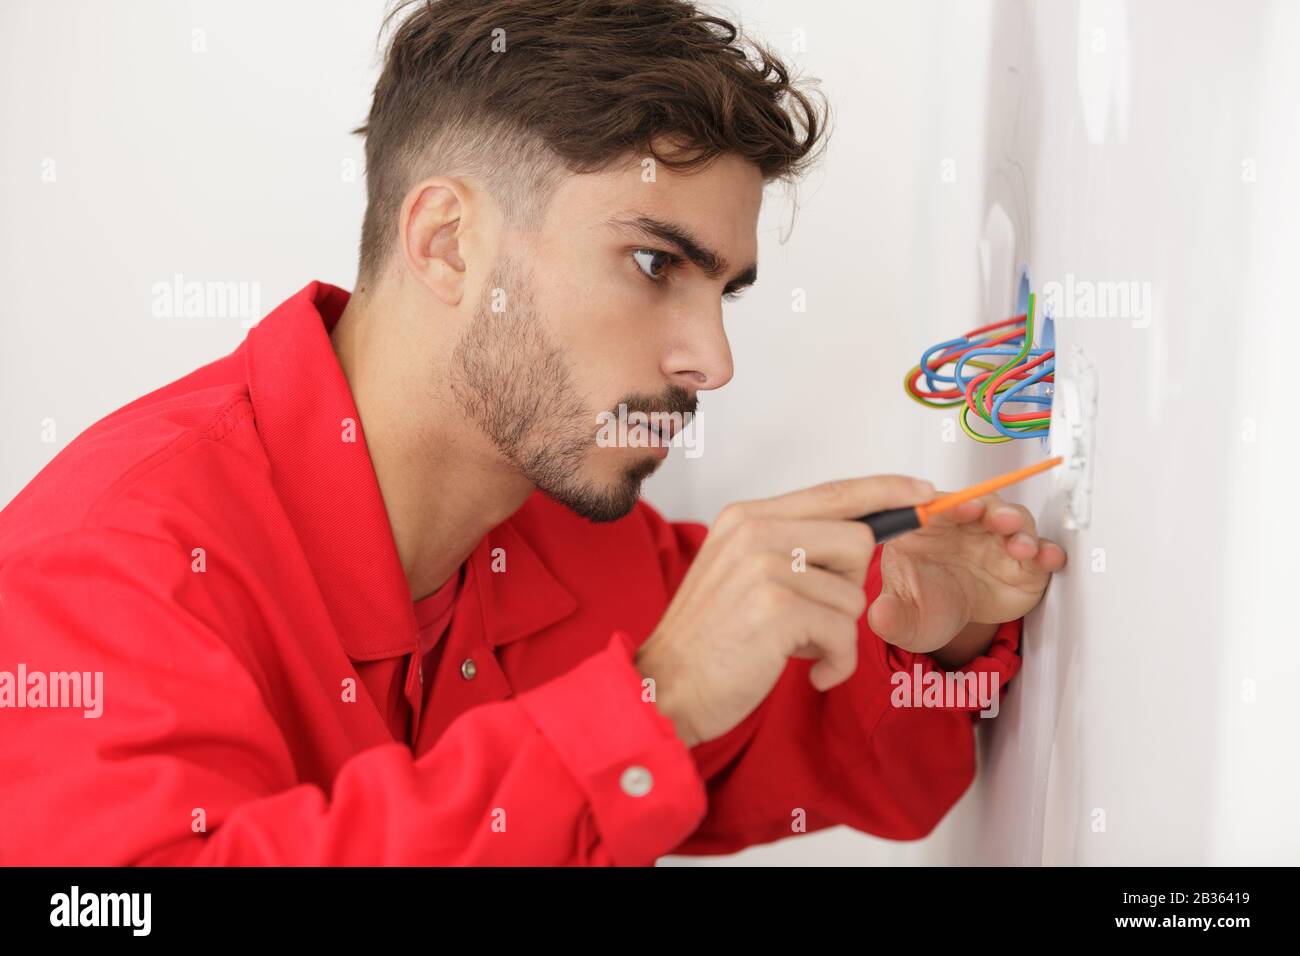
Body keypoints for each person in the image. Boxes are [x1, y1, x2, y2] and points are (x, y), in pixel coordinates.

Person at [0, 0, 1066, 865]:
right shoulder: (110, 566)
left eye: (725, 291)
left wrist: (935, 622)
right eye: (656, 265)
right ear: (450, 243)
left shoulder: (570, 534)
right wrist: (658, 696)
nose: (712, 360)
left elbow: (835, 747)